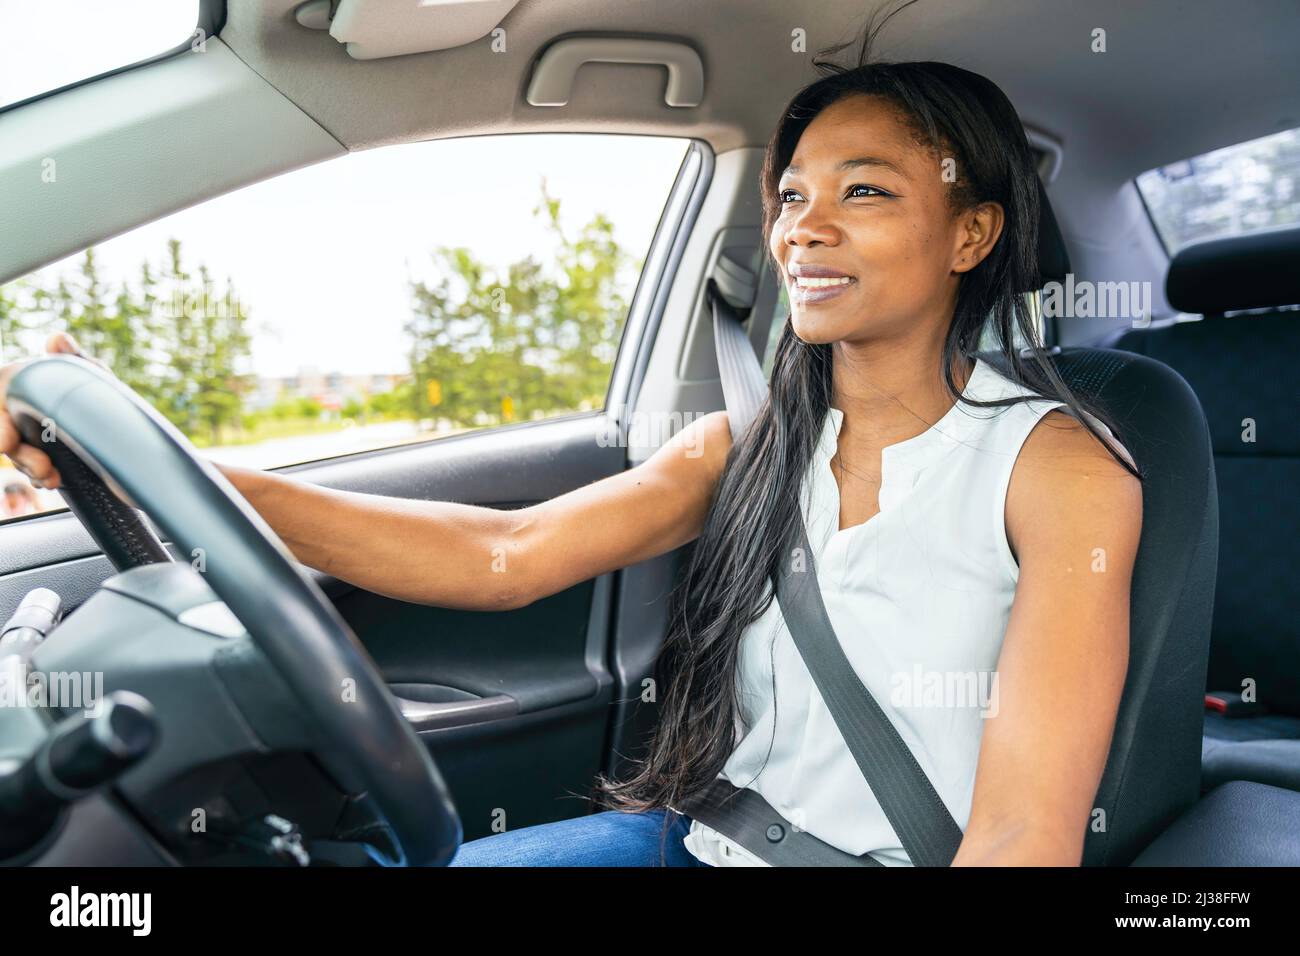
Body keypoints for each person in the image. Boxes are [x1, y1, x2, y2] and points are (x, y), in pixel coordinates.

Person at [0, 7, 1141, 867]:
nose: (806, 227)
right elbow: (501, 557)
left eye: (868, 192)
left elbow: (1022, 835)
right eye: (790, 196)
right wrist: (172, 464)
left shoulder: (1057, 470)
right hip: (694, 843)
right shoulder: (744, 444)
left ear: (971, 232)